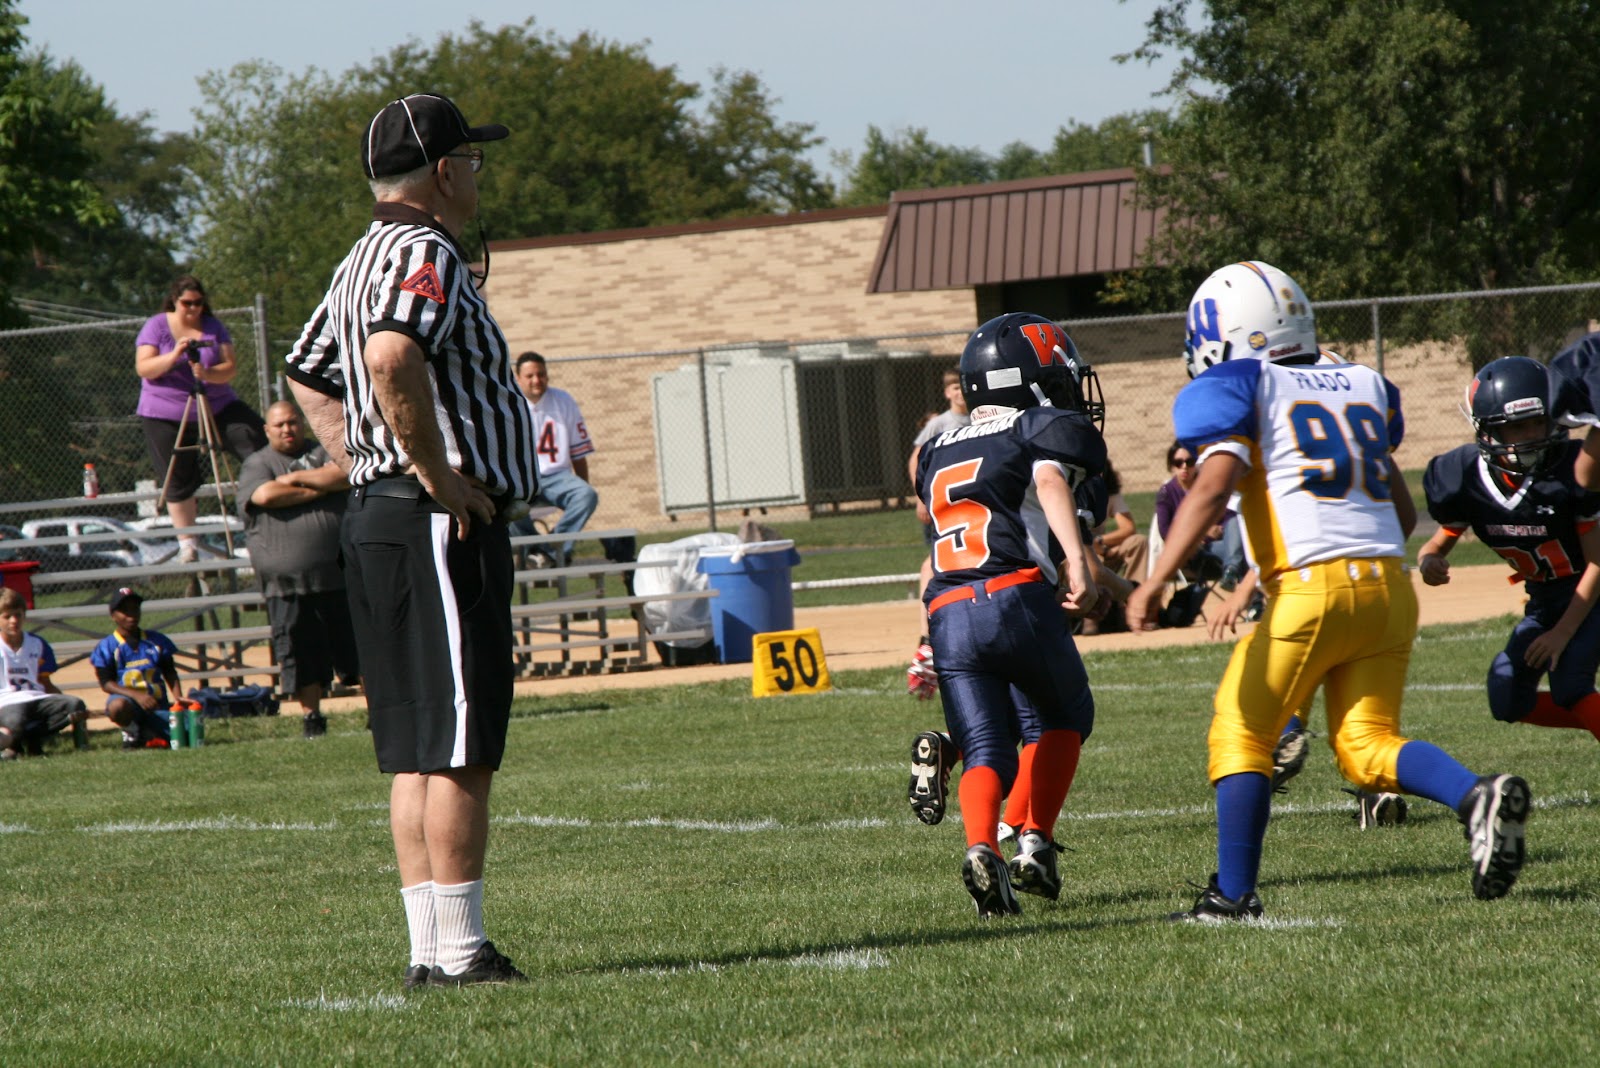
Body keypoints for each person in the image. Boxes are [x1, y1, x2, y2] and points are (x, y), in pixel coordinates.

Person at [1125, 259, 1530, 920]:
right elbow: (1401, 516)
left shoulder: (1243, 384)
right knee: (1366, 746)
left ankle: (1232, 895)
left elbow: (1213, 484)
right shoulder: (1362, 381)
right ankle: (1474, 796)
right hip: (1388, 589)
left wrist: (1156, 577)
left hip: (1311, 589)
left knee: (1241, 730)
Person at [285, 92, 537, 989]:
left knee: (414, 744)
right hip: (436, 519)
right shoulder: (422, 247)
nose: (478, 172)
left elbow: (309, 368)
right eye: (472, 156)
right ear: (442, 169)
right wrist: (430, 474)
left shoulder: (360, 255)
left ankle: (431, 949)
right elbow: (391, 358)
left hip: (383, 518)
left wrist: (360, 457)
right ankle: (462, 952)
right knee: (462, 738)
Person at [911, 312, 1104, 916]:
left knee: (986, 747)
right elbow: (1048, 480)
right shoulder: (1038, 427)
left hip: (947, 609)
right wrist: (1077, 560)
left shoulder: (934, 450)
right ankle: (1034, 841)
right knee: (1066, 717)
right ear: (1029, 379)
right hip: (1015, 597)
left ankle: (979, 847)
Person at [1418, 356, 1600, 743]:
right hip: (1546, 600)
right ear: (1488, 432)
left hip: (1591, 593)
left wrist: (1562, 633)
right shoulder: (1465, 477)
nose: (1533, 433)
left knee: (1570, 685)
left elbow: (1598, 562)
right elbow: (1442, 538)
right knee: (1507, 699)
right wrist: (1429, 560)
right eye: (1517, 426)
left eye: (1539, 421)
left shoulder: (1569, 471)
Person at [236, 400, 360, 739]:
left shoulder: (324, 450)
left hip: (340, 577)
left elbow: (345, 472)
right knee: (301, 654)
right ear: (267, 430)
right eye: (279, 425)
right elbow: (265, 495)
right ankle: (312, 718)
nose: (287, 429)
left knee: (359, 650)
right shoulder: (257, 464)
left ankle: (378, 713)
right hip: (287, 584)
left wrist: (296, 478)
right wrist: (320, 486)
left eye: (292, 422)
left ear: (302, 423)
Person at [134, 275, 267, 562]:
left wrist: (206, 374)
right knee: (176, 472)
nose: (193, 309)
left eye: (198, 303)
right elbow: (144, 367)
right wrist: (176, 355)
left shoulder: (213, 327)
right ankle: (188, 544)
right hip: (165, 409)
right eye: (187, 303)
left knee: (254, 438)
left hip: (215, 403)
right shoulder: (157, 325)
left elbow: (229, 366)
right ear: (174, 301)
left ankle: (270, 507)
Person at [905, 365, 970, 699]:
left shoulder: (980, 419)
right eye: (954, 388)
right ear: (947, 392)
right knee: (934, 566)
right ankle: (928, 641)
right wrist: (921, 497)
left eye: (964, 387)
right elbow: (917, 459)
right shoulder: (940, 424)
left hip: (971, 508)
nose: (960, 393)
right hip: (943, 508)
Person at [509, 351, 597, 567]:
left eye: (541, 374)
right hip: (524, 478)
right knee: (506, 502)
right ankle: (533, 549)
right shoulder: (508, 403)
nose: (536, 380)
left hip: (557, 477)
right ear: (518, 378)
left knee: (586, 495)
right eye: (530, 376)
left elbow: (578, 452)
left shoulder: (563, 400)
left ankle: (550, 550)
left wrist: (581, 484)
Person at [0, 588, 89, 758]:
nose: (13, 621)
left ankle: (22, 741)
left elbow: (45, 682)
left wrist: (65, 703)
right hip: (7, 702)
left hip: (37, 697)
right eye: (7, 616)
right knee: (15, 720)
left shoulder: (37, 643)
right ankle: (19, 743)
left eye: (18, 615)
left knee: (75, 705)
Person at [90, 588, 178, 750]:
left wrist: (179, 700)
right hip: (129, 705)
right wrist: (137, 695)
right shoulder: (107, 646)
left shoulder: (156, 640)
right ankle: (132, 732)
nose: (131, 614)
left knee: (186, 733)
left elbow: (170, 672)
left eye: (135, 609)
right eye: (124, 610)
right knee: (116, 707)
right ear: (113, 615)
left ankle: (149, 732)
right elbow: (106, 683)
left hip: (157, 706)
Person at [1083, 458, 1147, 634]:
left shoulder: (1109, 493)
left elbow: (1128, 528)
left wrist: (1101, 542)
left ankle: (1136, 605)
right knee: (1088, 556)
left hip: (1101, 549)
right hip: (1081, 554)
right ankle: (1091, 615)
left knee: (1138, 541)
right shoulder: (1073, 490)